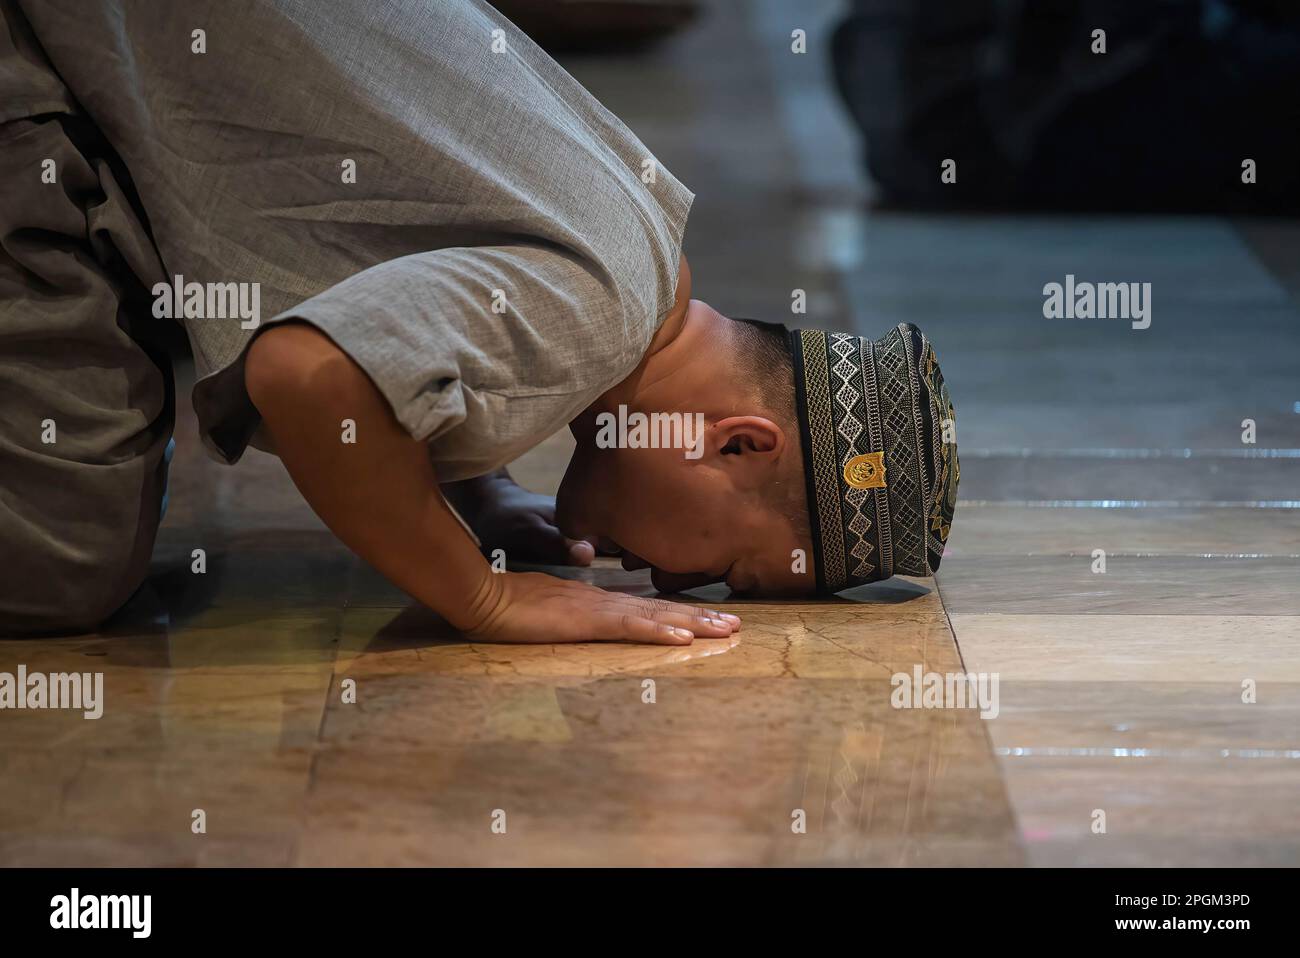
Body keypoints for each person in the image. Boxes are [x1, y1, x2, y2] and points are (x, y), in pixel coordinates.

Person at [0, 0, 958, 641]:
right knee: (59, 566)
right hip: (40, 66)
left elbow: (414, 251)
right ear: (737, 446)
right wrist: (482, 596)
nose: (671, 586)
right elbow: (308, 374)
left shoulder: (646, 241)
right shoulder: (596, 312)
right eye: (730, 573)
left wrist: (470, 481)